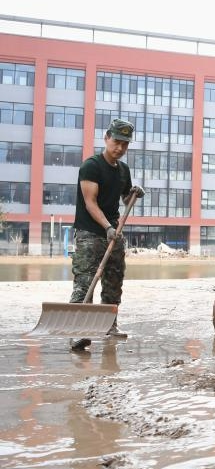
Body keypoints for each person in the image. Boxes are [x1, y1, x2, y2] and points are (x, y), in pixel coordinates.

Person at [69, 118, 144, 349]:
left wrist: (133, 193)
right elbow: (90, 203)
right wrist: (107, 227)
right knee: (85, 282)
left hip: (113, 232)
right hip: (90, 233)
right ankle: (76, 331)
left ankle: (109, 325)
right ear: (106, 137)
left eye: (125, 144)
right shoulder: (91, 166)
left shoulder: (123, 170)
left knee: (114, 279)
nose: (120, 148)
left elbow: (123, 198)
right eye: (116, 141)